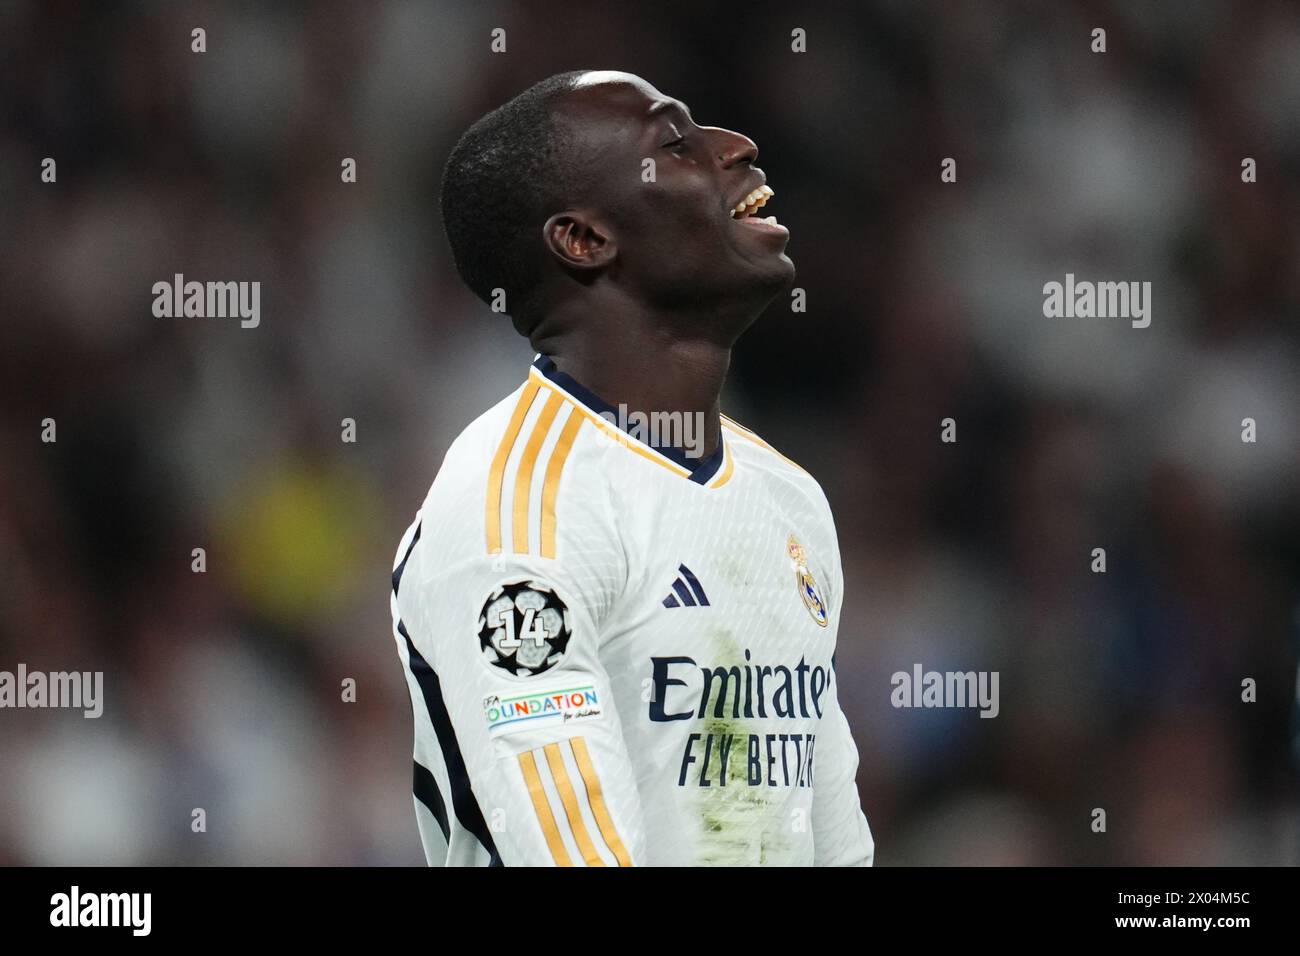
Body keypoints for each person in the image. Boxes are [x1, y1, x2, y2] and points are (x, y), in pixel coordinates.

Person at [391, 69, 873, 866]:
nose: (737, 146)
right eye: (676, 143)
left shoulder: (788, 498)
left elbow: (835, 847)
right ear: (584, 240)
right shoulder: (517, 511)